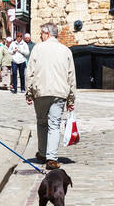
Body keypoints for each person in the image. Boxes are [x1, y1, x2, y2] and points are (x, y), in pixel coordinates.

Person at [25, 22, 76, 169]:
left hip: (40, 91)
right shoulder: (66, 50)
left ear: (47, 33)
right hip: (59, 92)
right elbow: (71, 77)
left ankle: (42, 152)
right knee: (54, 125)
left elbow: (30, 73)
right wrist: (71, 99)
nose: (40, 36)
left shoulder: (38, 48)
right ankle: (52, 158)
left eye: (41, 34)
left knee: (41, 122)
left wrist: (29, 93)